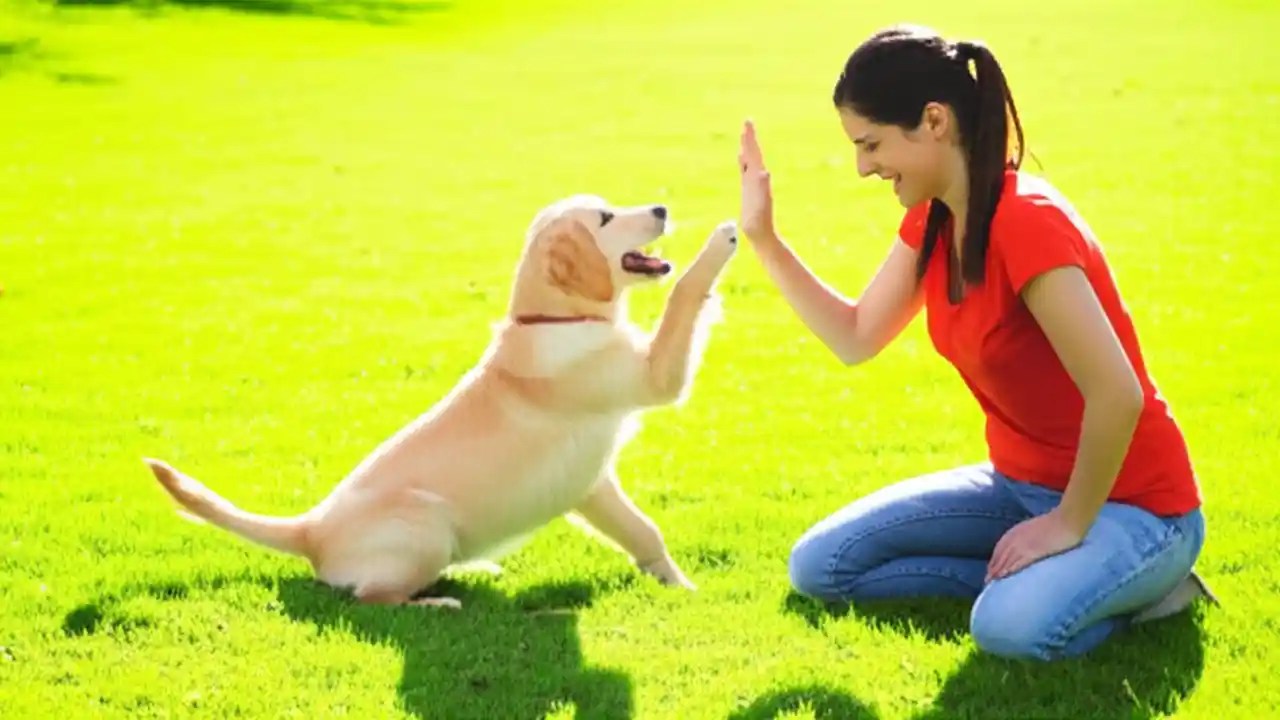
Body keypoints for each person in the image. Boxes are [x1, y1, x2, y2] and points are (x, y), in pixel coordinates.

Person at [736, 24, 1215, 661]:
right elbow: (854, 336)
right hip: (1017, 488)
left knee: (1006, 630)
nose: (863, 167)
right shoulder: (934, 219)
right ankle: (1043, 581)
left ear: (934, 121)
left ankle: (1155, 590)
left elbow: (1116, 394)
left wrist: (1067, 523)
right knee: (821, 566)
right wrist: (764, 239)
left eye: (871, 144)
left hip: (1135, 506)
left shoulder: (1027, 223)